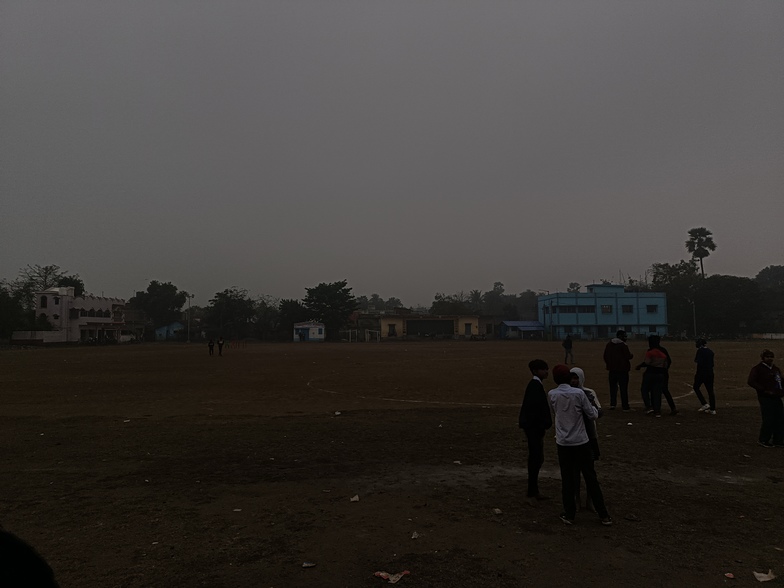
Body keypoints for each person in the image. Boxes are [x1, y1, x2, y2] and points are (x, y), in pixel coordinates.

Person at [548, 364, 612, 526]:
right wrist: (596, 411)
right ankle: (603, 514)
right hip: (581, 441)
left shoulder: (552, 394)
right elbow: (592, 414)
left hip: (563, 443)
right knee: (590, 477)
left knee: (567, 479)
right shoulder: (579, 393)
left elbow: (554, 412)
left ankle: (569, 514)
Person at [519, 359, 552, 505]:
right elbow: (534, 409)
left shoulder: (536, 385)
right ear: (535, 371)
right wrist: (541, 425)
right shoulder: (534, 386)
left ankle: (534, 490)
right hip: (534, 428)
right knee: (535, 458)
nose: (546, 372)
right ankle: (531, 492)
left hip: (534, 427)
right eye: (543, 369)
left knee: (537, 458)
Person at [570, 367, 601, 512]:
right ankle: (576, 499)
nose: (574, 381)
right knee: (574, 471)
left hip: (589, 437)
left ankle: (590, 501)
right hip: (574, 437)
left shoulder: (589, 393)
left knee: (590, 471)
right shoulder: (567, 393)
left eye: (576, 378)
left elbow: (599, 412)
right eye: (571, 378)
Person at [747, 350, 784, 448]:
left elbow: (780, 381)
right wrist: (763, 390)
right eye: (767, 356)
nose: (770, 358)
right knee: (768, 418)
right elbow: (751, 381)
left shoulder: (775, 369)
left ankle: (778, 440)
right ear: (763, 358)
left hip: (777, 396)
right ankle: (763, 439)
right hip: (765, 397)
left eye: (771, 356)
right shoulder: (757, 369)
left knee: (780, 418)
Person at [637, 335, 678, 416]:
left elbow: (647, 362)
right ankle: (671, 408)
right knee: (662, 391)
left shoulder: (651, 351)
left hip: (651, 373)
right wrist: (664, 369)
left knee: (646, 389)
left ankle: (650, 407)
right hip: (663, 373)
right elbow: (668, 361)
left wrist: (639, 366)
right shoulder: (663, 350)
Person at [603, 330, 634, 411]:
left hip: (612, 370)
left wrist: (609, 364)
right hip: (622, 370)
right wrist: (631, 356)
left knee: (613, 388)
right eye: (624, 336)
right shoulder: (623, 345)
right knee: (623, 388)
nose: (625, 338)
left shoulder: (609, 344)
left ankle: (613, 404)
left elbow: (605, 356)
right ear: (620, 336)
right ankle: (625, 406)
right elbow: (627, 356)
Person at [693, 339, 716, 414]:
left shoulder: (700, 351)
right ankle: (713, 409)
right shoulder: (710, 351)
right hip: (710, 373)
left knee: (696, 387)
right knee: (710, 391)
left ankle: (704, 403)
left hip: (701, 373)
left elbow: (697, 361)